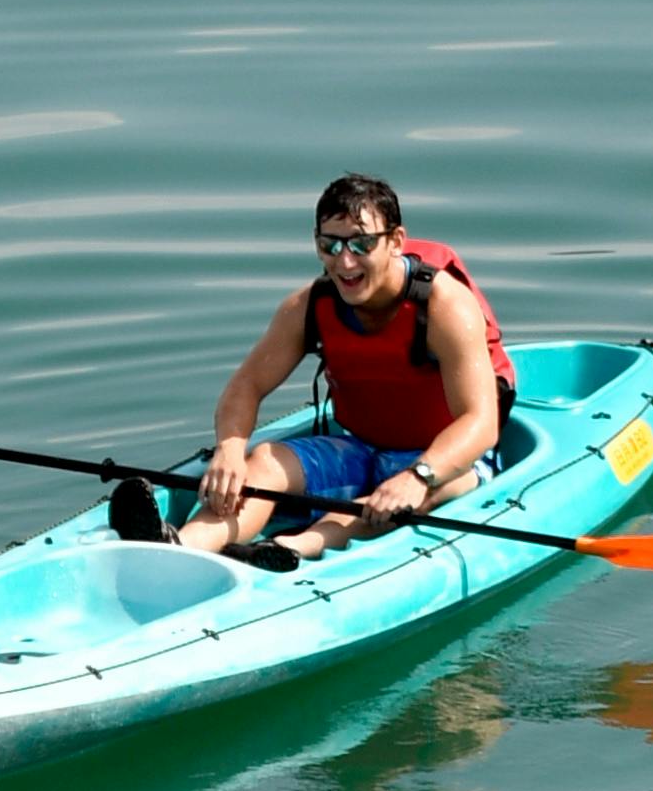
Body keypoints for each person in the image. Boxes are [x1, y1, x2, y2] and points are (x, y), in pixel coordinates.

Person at [172, 174, 515, 563]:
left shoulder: (446, 307)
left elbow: (481, 424)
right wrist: (230, 451)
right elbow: (246, 385)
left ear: (395, 241)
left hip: (441, 463)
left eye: (361, 244)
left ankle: (288, 549)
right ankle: (179, 547)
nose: (345, 261)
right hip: (359, 448)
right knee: (263, 461)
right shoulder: (307, 306)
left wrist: (417, 476)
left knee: (411, 496)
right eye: (330, 245)